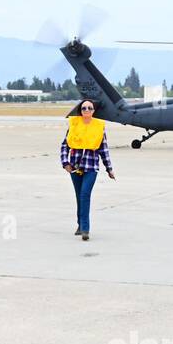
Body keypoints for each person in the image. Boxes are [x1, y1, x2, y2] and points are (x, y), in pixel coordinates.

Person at [60, 99, 115, 241]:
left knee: (85, 195)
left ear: (93, 111)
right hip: (74, 167)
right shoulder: (73, 125)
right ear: (80, 110)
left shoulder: (99, 127)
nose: (86, 110)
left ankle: (85, 229)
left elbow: (104, 150)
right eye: (84, 108)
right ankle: (80, 224)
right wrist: (65, 163)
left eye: (89, 108)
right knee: (79, 197)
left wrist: (109, 169)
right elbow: (64, 146)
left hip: (91, 167)